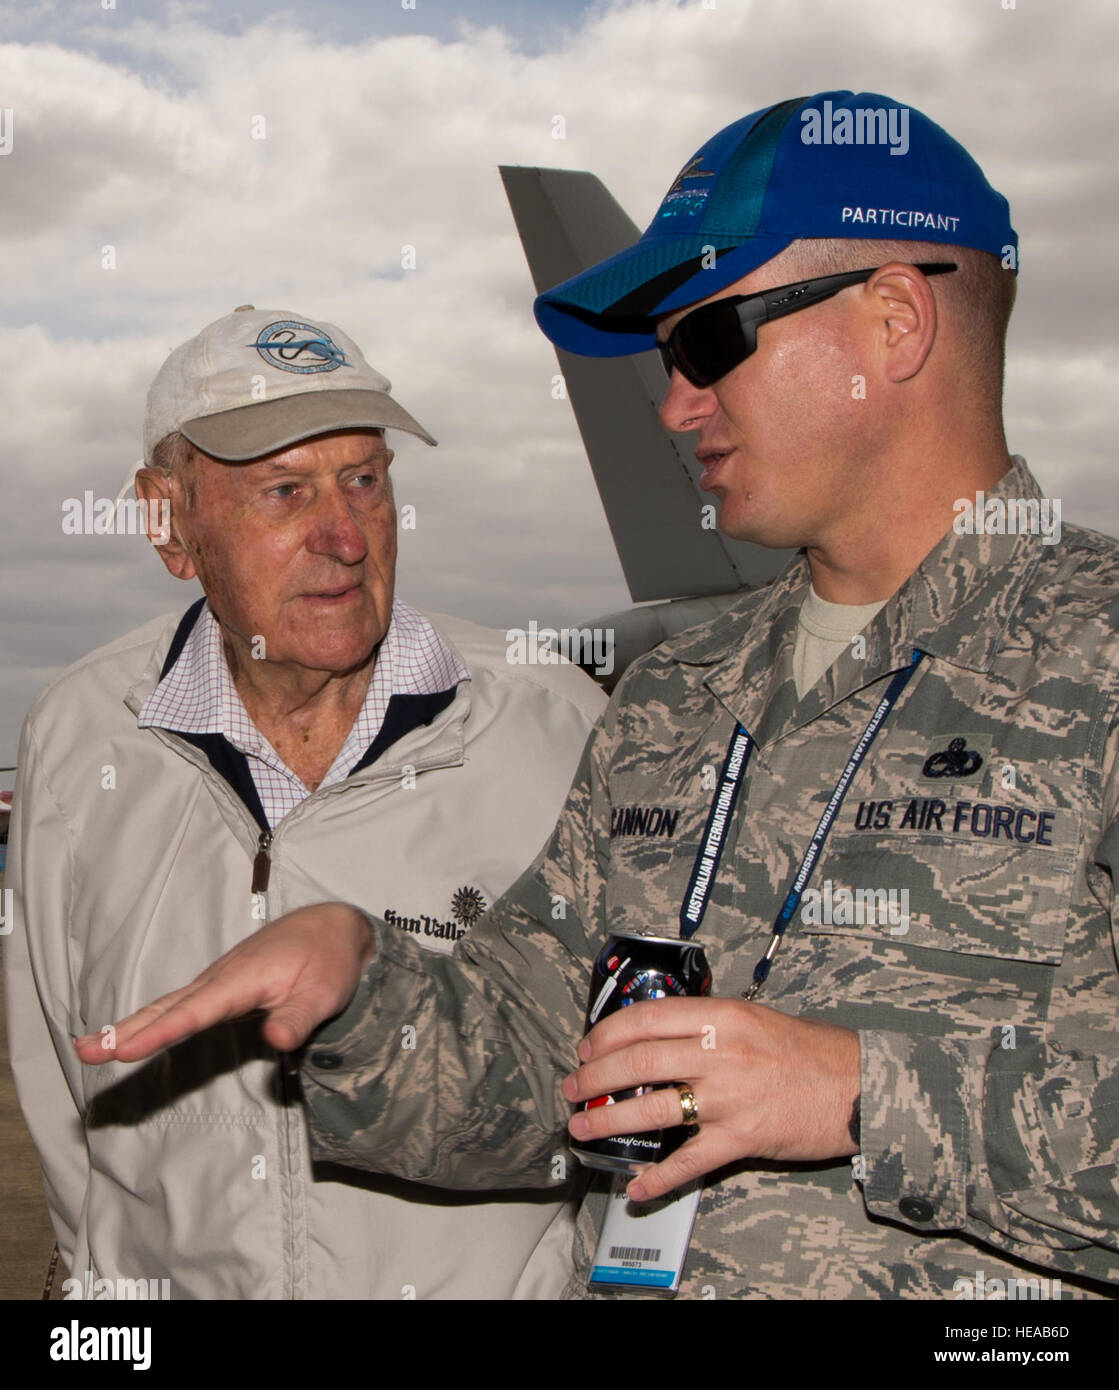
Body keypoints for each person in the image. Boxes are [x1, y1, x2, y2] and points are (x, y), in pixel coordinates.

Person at [77, 92, 1119, 1299]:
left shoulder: (1090, 655)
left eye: (709, 342)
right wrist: (366, 990)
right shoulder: (674, 699)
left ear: (894, 322)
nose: (675, 403)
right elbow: (539, 1066)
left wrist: (861, 1094)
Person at [5, 304, 606, 1299]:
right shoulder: (81, 736)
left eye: (363, 480)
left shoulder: (549, 724)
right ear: (170, 523)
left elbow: (630, 1078)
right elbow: (60, 1083)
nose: (343, 535)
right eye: (285, 490)